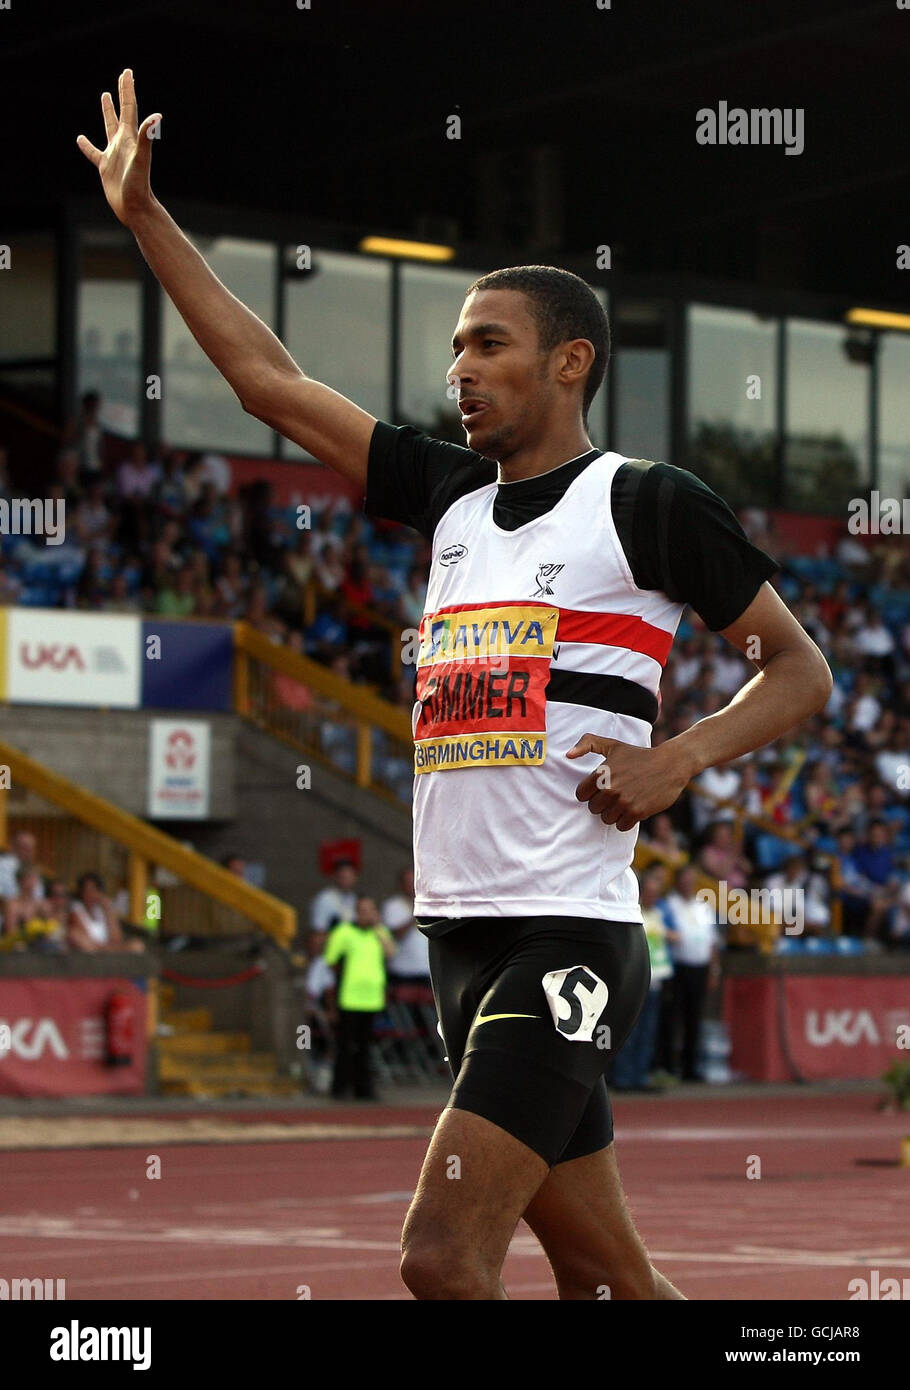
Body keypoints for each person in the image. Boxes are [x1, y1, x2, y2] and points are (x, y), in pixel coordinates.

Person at [77, 69, 834, 1300]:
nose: (460, 370)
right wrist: (146, 220)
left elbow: (800, 668)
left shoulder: (644, 503)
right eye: (453, 350)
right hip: (456, 938)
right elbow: (269, 384)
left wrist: (678, 757)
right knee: (610, 1282)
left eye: (489, 345)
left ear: (570, 362)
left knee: (439, 1256)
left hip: (566, 933)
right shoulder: (449, 499)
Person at [324, 895, 396, 1100]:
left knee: (366, 1047)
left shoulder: (380, 933)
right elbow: (331, 960)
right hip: (349, 997)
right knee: (346, 1045)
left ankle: (363, 1089)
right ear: (356, 913)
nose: (367, 915)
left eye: (370, 910)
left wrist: (378, 929)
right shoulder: (344, 932)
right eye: (363, 911)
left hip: (372, 998)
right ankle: (340, 1088)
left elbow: (390, 953)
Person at [611, 865, 673, 1092]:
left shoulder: (657, 914)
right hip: (636, 979)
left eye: (656, 893)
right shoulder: (633, 914)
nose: (653, 897)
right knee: (631, 1030)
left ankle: (640, 1075)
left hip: (656, 979)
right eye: (650, 892)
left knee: (647, 1031)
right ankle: (623, 1076)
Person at [657, 865, 721, 1082]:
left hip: (700, 966)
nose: (688, 883)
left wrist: (714, 969)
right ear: (677, 881)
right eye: (684, 879)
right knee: (671, 1017)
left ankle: (690, 1067)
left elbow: (712, 941)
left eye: (691, 879)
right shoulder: (669, 904)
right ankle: (667, 1065)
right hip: (677, 967)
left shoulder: (703, 906)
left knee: (694, 1017)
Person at [67, 872, 144, 953]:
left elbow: (117, 938)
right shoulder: (76, 908)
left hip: (107, 947)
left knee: (137, 945)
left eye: (94, 890)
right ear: (81, 892)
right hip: (92, 948)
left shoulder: (102, 908)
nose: (90, 894)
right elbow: (84, 939)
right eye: (87, 890)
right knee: (74, 934)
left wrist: (108, 909)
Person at [310, 859, 358, 933]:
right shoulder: (324, 899)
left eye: (350, 876)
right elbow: (318, 929)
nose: (347, 880)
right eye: (343, 877)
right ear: (335, 877)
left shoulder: (355, 898)